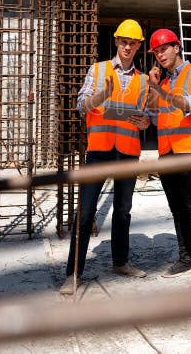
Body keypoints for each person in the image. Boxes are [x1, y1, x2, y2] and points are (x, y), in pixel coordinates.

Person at [60, 19, 151, 295]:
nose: (127, 47)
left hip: (127, 152)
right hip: (99, 151)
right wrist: (103, 95)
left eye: (132, 43)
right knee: (86, 212)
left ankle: (121, 262)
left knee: (122, 211)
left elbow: (147, 117)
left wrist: (144, 122)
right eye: (123, 42)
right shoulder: (98, 70)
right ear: (116, 42)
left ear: (138, 46)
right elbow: (81, 105)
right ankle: (73, 273)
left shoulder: (143, 80)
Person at [147, 28, 191, 287]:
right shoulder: (164, 83)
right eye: (156, 51)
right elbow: (155, 118)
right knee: (177, 210)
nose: (160, 54)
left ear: (177, 47)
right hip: (167, 153)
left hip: (189, 151)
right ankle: (186, 258)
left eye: (164, 48)